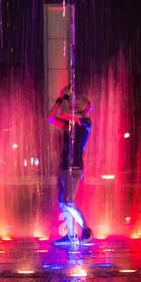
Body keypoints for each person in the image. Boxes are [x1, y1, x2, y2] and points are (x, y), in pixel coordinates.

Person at [47, 83, 92, 244]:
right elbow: (51, 117)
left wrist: (66, 95)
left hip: (75, 167)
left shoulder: (85, 122)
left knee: (69, 202)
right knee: (62, 202)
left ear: (83, 106)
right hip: (64, 165)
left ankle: (86, 229)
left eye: (77, 101)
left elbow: (65, 113)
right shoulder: (70, 124)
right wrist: (60, 99)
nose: (74, 101)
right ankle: (71, 235)